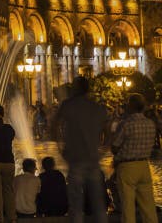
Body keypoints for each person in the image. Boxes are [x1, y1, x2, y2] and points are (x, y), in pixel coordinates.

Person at [51, 76, 108, 223]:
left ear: (76, 88)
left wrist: (59, 146)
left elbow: (54, 125)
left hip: (75, 159)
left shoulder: (68, 105)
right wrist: (103, 151)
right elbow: (108, 132)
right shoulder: (96, 107)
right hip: (94, 160)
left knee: (76, 205)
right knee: (98, 204)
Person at [111, 93, 158, 223]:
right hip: (144, 166)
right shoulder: (150, 124)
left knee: (128, 207)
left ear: (130, 106)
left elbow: (115, 147)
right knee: (148, 206)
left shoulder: (126, 124)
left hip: (127, 167)